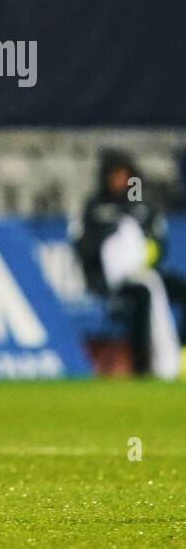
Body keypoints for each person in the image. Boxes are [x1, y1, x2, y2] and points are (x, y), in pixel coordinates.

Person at [73, 150, 186, 379]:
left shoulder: (138, 203)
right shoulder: (96, 207)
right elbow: (83, 247)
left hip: (146, 272)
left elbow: (158, 241)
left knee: (179, 290)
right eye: (115, 175)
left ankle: (181, 353)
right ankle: (142, 368)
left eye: (125, 175)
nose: (121, 181)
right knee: (142, 296)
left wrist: (147, 255)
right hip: (114, 281)